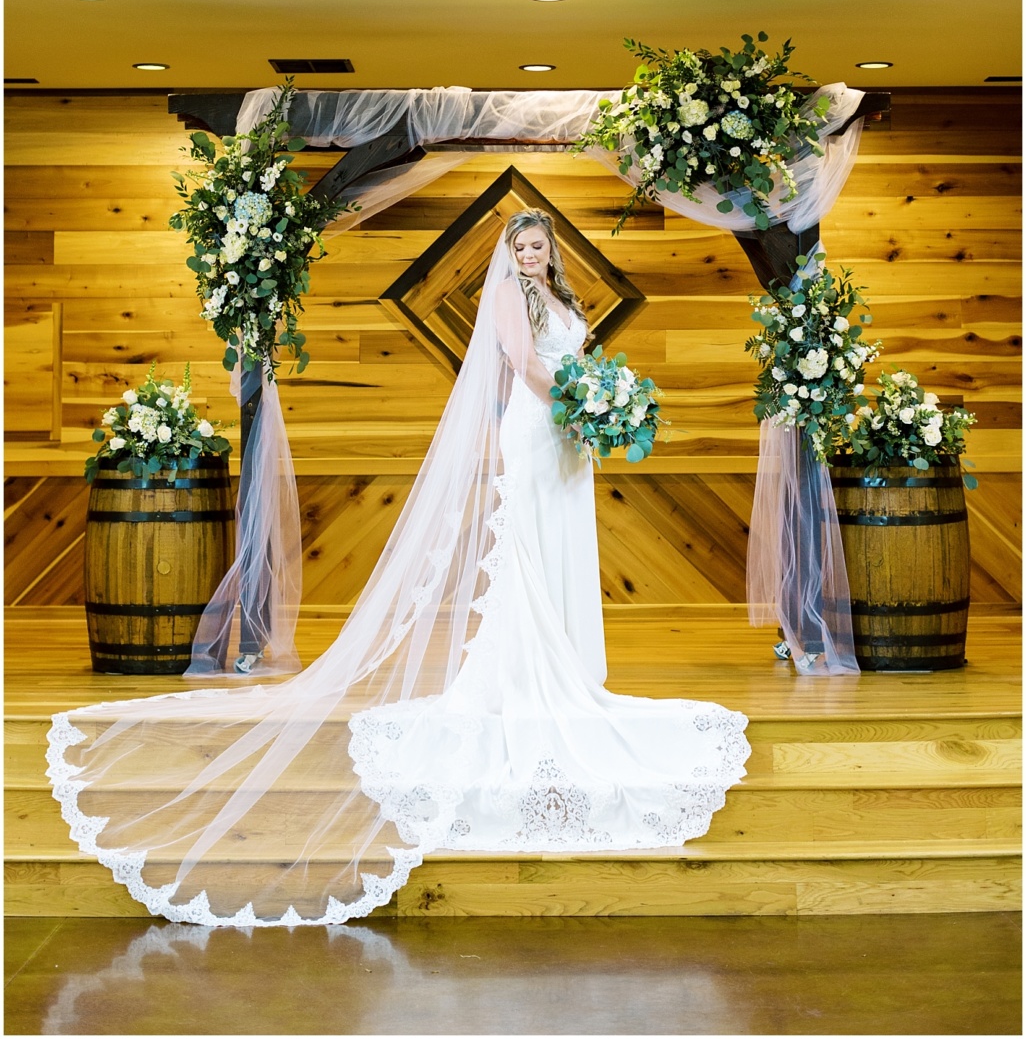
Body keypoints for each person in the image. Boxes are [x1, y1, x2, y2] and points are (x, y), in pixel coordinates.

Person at [48, 212, 750, 927]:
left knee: (565, 547)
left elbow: (573, 359)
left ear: (552, 250)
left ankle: (571, 664)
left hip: (567, 437)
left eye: (538, 245)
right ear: (509, 253)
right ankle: (526, 671)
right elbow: (525, 367)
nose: (530, 254)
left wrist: (598, 404)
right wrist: (579, 408)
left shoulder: (563, 297)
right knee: (530, 552)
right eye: (520, 246)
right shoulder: (511, 295)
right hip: (541, 428)